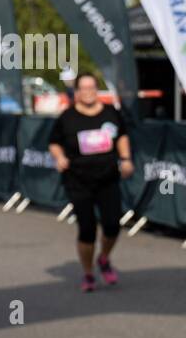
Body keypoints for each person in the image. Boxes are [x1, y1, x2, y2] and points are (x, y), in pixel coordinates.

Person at [47, 72, 134, 292]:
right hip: (78, 180)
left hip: (107, 177)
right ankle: (88, 273)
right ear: (76, 92)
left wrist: (125, 159)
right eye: (83, 88)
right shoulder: (67, 118)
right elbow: (54, 143)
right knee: (87, 229)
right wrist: (59, 157)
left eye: (92, 87)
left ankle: (103, 258)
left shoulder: (110, 113)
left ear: (97, 89)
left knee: (113, 225)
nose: (88, 92)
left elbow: (122, 136)